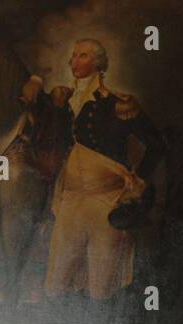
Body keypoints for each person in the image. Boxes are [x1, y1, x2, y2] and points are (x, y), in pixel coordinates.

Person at [31, 39, 164, 300]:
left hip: (106, 201)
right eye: (73, 56)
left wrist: (136, 182)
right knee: (57, 281)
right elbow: (45, 136)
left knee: (102, 284)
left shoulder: (118, 104)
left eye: (82, 56)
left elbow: (157, 145)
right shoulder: (63, 101)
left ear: (99, 63)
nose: (74, 62)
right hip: (70, 200)